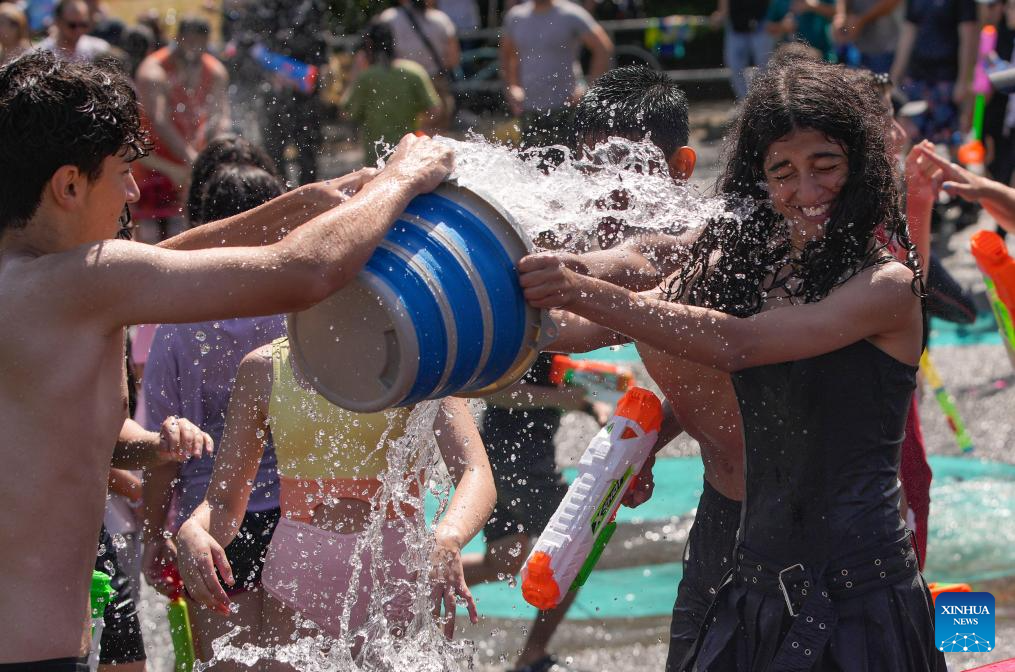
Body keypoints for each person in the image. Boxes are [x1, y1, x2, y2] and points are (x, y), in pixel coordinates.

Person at [0, 50, 453, 668]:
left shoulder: (32, 284)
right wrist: (403, 178)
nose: (135, 191)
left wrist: (310, 201)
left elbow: (175, 256)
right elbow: (308, 271)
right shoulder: (85, 285)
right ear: (69, 185)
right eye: (123, 172)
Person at [519, 58, 945, 671]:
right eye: (783, 172)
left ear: (862, 163)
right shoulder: (741, 256)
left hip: (858, 575)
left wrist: (578, 288)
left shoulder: (887, 284)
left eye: (825, 164)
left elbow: (738, 346)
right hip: (743, 561)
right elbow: (636, 272)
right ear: (756, 177)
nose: (806, 189)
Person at [174, 338, 495, 660]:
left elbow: (476, 471)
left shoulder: (421, 359)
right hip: (297, 577)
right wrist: (195, 527)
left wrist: (449, 537)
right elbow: (224, 503)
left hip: (397, 577)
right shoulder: (263, 368)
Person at [142, 147, 288, 666]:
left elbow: (163, 450)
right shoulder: (300, 316)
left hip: (213, 527)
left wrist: (153, 536)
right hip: (298, 513)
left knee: (229, 663)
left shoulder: (178, 326)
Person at [134, 16, 231, 241]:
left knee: (187, 236)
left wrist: (211, 151)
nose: (194, 49)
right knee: (148, 240)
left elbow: (221, 117)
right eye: (189, 42)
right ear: (177, 39)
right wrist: (192, 158)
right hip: (151, 164)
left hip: (187, 170)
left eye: (200, 44)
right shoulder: (153, 71)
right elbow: (159, 120)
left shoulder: (215, 72)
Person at [239, 0, 330, 184]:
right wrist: (267, 74)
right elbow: (246, 49)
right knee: (272, 152)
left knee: (307, 150)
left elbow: (319, 47)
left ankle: (310, 196)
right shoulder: (261, 9)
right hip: (270, 92)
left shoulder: (310, 7)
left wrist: (310, 74)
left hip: (303, 92)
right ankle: (278, 197)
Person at [500, 0, 613, 148]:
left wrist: (590, 90)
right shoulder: (516, 16)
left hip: (565, 106)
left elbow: (603, 48)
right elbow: (507, 55)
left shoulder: (571, 14)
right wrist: (512, 88)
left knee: (568, 164)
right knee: (530, 164)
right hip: (529, 107)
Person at [342, 21, 442, 164]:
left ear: (369, 45)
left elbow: (346, 112)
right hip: (408, 154)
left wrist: (355, 74)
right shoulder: (414, 72)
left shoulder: (366, 77)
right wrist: (417, 126)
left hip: (376, 158)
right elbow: (436, 110)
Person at [889, 0, 977, 146]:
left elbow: (968, 37)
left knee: (947, 143)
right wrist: (895, 75)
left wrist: (964, 80)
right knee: (911, 138)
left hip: (946, 79)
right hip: (917, 78)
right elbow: (909, 32)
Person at [379, 0, 460, 133]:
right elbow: (453, 59)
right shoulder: (441, 20)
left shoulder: (388, 18)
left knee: (403, 135)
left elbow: (380, 54)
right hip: (435, 84)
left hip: (401, 85)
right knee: (435, 137)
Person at [711, 0, 774, 99]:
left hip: (761, 24)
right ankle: (745, 103)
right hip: (736, 27)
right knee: (734, 66)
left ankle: (765, 101)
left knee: (765, 67)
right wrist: (721, 14)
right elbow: (723, 9)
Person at [831, 0, 901, 73]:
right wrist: (841, 16)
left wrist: (862, 20)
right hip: (854, 48)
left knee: (880, 83)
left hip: (882, 49)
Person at [37, 0, 110, 62]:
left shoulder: (98, 51)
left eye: (83, 24)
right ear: (58, 22)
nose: (79, 30)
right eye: (72, 25)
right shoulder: (40, 55)